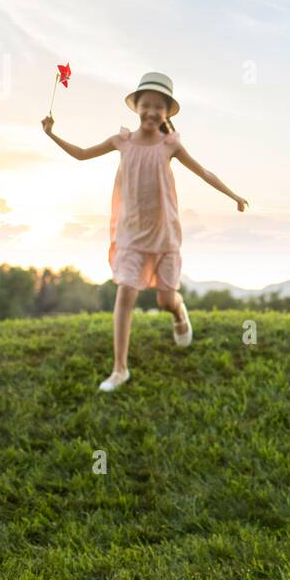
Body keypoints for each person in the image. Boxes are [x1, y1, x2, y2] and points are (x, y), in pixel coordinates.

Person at [42, 71, 250, 391]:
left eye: (159, 107)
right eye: (146, 105)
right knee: (125, 293)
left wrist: (234, 195)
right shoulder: (121, 141)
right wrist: (51, 134)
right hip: (130, 234)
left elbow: (204, 171)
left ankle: (179, 313)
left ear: (167, 112)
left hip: (163, 233)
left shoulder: (171, 145)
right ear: (136, 107)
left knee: (166, 299)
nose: (152, 112)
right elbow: (82, 154)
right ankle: (120, 369)